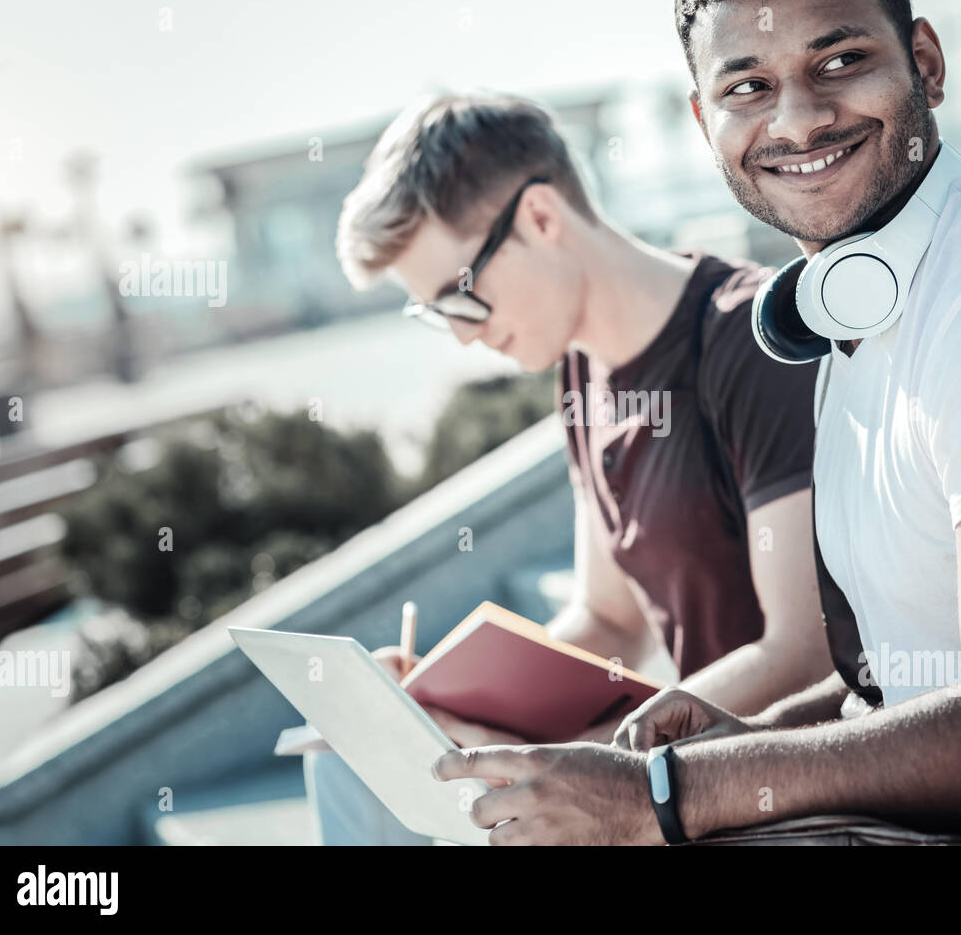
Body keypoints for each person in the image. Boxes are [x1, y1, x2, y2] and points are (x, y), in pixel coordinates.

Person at [432, 0, 961, 845]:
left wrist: (667, 793)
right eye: (746, 86)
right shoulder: (853, 313)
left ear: (927, 65)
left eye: (840, 60)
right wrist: (754, 741)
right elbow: (909, 692)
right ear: (702, 122)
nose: (795, 121)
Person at [306, 91, 835, 843]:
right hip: (660, 766)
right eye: (436, 316)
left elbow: (804, 650)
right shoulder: (583, 372)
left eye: (460, 301)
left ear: (542, 220)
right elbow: (608, 617)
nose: (461, 338)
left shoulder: (748, 343)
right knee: (353, 763)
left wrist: (586, 763)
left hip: (754, 788)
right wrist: (452, 699)